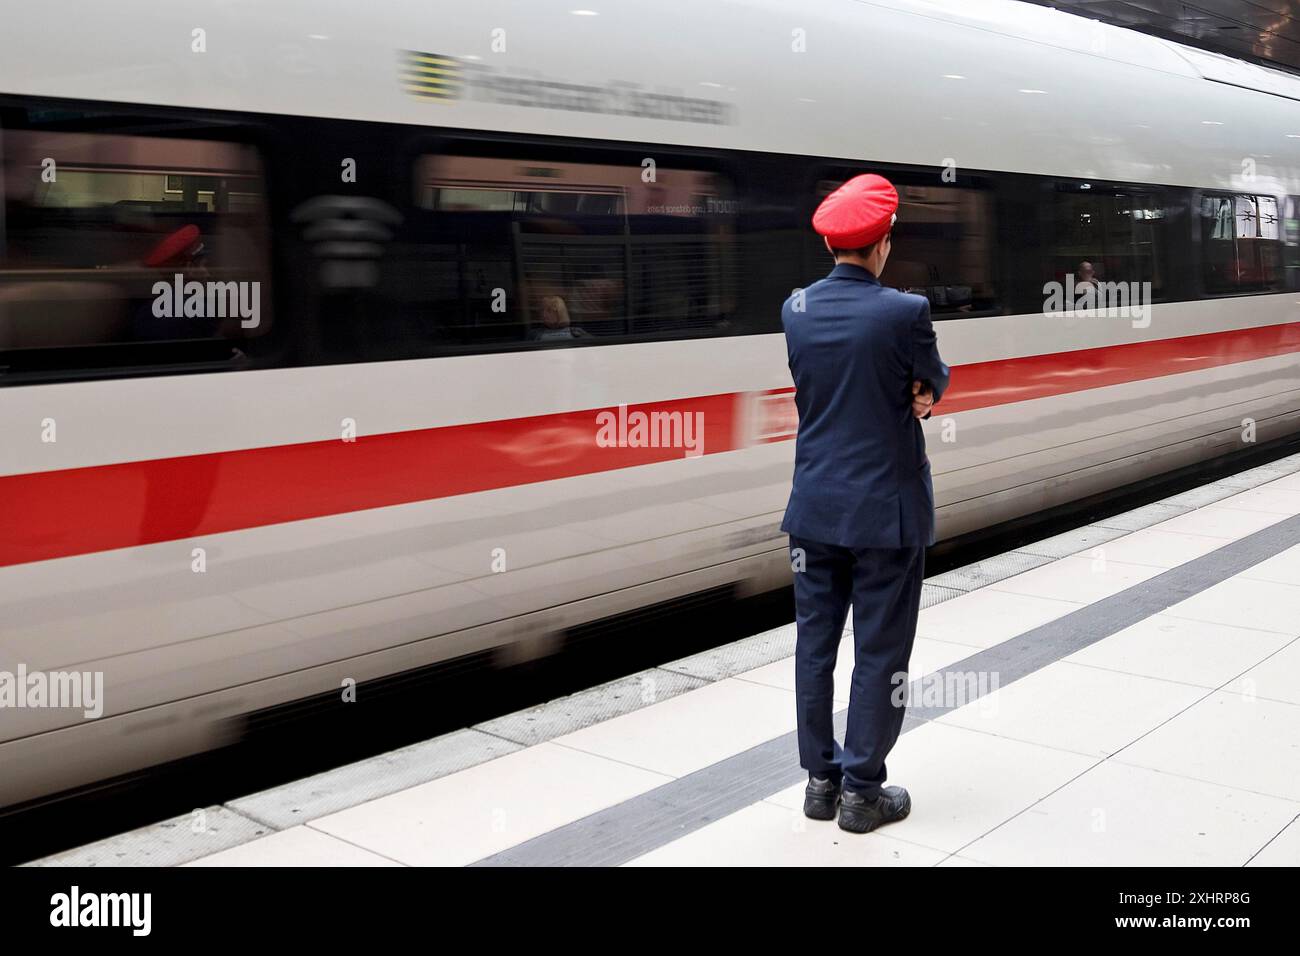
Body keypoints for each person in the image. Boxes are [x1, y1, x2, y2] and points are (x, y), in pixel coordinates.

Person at [780, 173, 950, 834]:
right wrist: (925, 394)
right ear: (883, 241)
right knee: (880, 650)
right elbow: (929, 379)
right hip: (887, 510)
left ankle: (820, 782)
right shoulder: (905, 312)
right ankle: (862, 791)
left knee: (815, 643)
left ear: (829, 241)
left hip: (813, 507)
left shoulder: (793, 309)